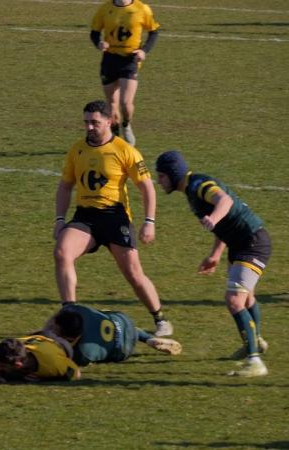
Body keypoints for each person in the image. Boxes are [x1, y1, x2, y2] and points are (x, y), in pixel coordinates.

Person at [53, 100, 172, 337]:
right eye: (86, 122)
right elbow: (65, 186)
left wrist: (150, 222)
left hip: (114, 218)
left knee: (133, 274)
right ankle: (70, 313)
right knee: (62, 252)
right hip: (85, 217)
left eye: (95, 122)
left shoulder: (124, 150)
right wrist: (59, 219)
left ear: (109, 121)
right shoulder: (76, 149)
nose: (89, 127)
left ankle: (160, 319)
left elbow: (147, 187)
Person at [156, 150, 271, 377]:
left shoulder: (199, 185)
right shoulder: (191, 190)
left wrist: (213, 218)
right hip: (239, 244)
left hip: (252, 243)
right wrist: (215, 254)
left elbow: (224, 201)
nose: (159, 181)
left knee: (234, 300)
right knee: (246, 299)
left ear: (172, 173)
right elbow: (223, 224)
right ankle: (254, 343)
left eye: (161, 176)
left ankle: (255, 361)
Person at [90, 0, 160, 145]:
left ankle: (126, 124)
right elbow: (94, 32)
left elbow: (153, 31)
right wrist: (99, 43)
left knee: (125, 103)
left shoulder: (142, 8)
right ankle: (115, 136)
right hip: (110, 60)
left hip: (130, 59)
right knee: (112, 103)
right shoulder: (105, 8)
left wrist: (144, 50)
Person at [45, 304, 182, 366]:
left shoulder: (81, 354)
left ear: (69, 338)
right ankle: (147, 338)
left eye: (53, 327)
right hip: (122, 320)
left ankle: (143, 337)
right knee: (104, 318)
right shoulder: (77, 310)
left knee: (106, 349)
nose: (49, 326)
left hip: (123, 351)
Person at [0, 335, 81, 384]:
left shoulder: (53, 366)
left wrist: (44, 379)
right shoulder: (15, 349)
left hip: (61, 344)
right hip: (37, 337)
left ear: (18, 365)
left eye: (2, 366)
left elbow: (75, 372)